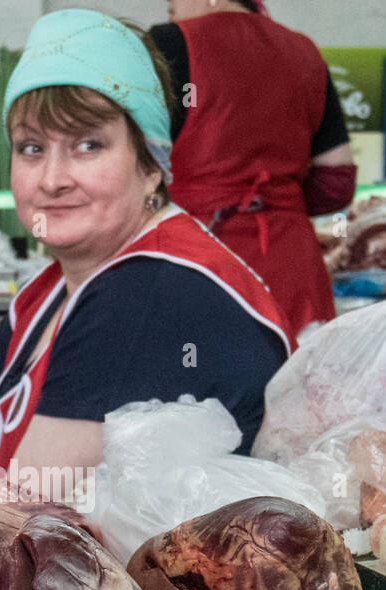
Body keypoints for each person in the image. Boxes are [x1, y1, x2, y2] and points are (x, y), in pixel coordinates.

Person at [0, 9, 291, 489]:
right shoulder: (35, 301)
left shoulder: (151, 289)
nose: (52, 179)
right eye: (31, 148)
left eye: (88, 145)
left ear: (151, 164)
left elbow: (19, 516)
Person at [149, 0, 357, 339]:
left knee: (192, 381)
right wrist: (281, 200)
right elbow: (337, 183)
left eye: (174, 6)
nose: (170, 12)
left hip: (193, 255)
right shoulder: (303, 50)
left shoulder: (168, 43)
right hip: (292, 266)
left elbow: (131, 167)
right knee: (297, 383)